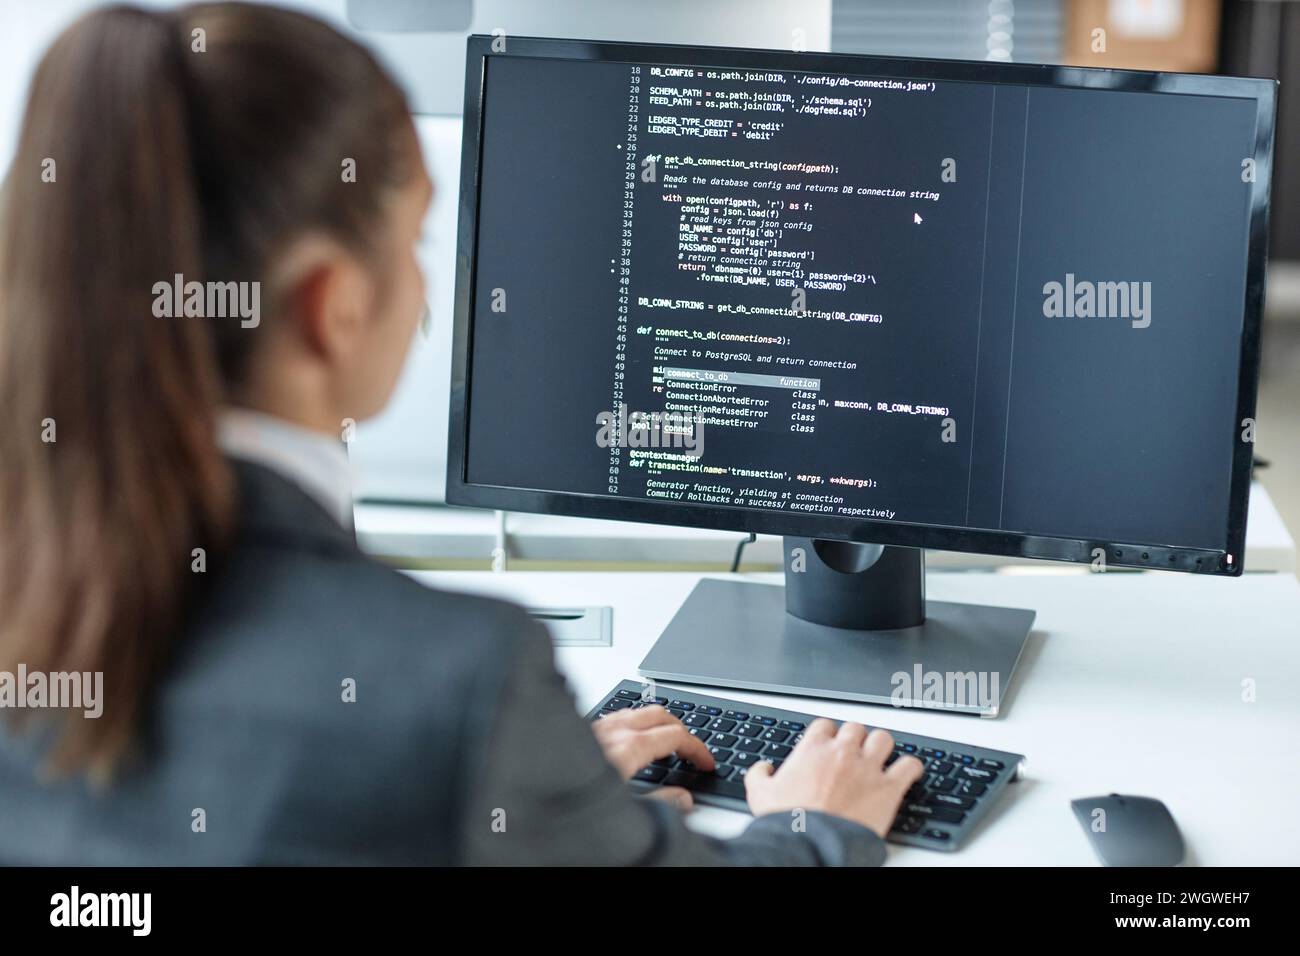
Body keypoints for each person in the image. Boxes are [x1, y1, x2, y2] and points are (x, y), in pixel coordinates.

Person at [0, 2, 923, 865]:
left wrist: (538, 794)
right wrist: (818, 827)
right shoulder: (459, 681)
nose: (431, 290)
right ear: (335, 306)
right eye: (413, 241)